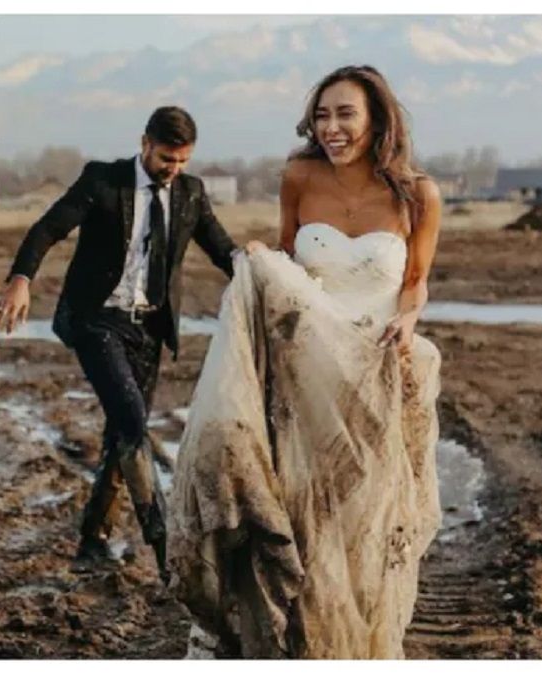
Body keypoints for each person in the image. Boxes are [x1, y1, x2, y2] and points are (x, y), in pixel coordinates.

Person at [167, 65, 443, 659]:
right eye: (322, 116)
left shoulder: (418, 194)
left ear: (377, 120)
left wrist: (408, 321)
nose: (331, 127)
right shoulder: (298, 175)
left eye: (345, 114)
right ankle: (297, 639)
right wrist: (264, 260)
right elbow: (291, 263)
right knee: (301, 505)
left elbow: (415, 281)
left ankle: (353, 641)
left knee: (362, 513)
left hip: (373, 365)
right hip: (305, 369)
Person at [0, 106, 238, 584]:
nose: (173, 169)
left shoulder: (191, 192)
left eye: (182, 161)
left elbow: (221, 248)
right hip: (97, 319)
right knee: (130, 417)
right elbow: (48, 228)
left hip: (149, 328)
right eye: (166, 159)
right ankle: (166, 546)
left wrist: (262, 274)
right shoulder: (103, 181)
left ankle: (94, 540)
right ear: (145, 143)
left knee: (122, 432)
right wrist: (20, 279)